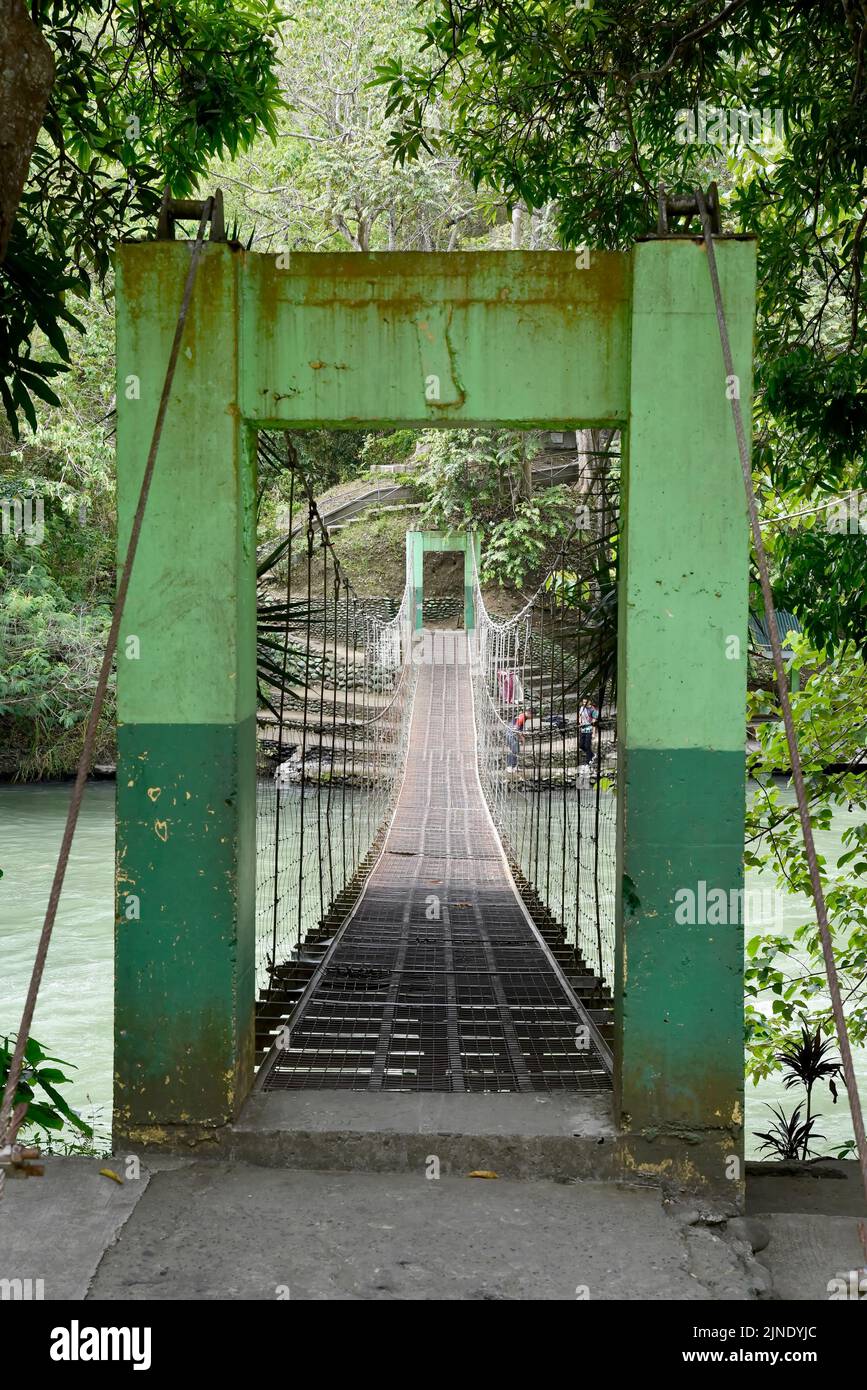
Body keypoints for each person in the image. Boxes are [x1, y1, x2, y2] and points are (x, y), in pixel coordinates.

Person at [578, 698, 598, 764]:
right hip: (583, 729)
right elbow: (580, 716)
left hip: (589, 729)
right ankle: (592, 754)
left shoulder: (593, 710)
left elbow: (594, 722)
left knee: (587, 745)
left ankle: (589, 760)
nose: (584, 704)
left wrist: (593, 733)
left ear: (589, 702)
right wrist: (580, 722)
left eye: (585, 702)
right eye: (583, 702)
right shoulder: (582, 708)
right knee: (581, 745)